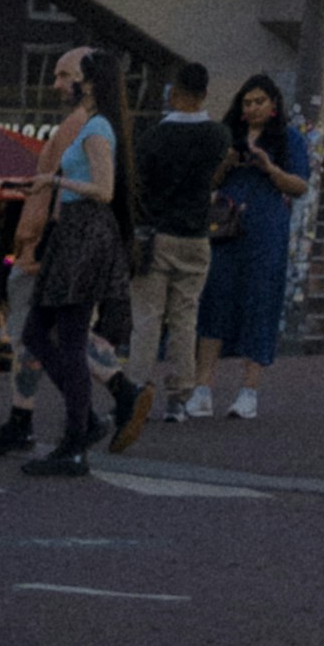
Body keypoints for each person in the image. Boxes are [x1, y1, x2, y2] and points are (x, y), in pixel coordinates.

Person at [12, 53, 136, 481]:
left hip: (85, 236)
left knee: (63, 338)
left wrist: (55, 181)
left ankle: (76, 440)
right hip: (76, 235)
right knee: (42, 333)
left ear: (90, 82)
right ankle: (81, 426)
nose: (65, 86)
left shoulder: (97, 129)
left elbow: (103, 190)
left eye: (71, 77)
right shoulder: (94, 126)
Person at [185, 77, 311, 424]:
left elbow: (300, 184)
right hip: (225, 227)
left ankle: (249, 390)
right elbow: (207, 181)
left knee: (260, 299)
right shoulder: (226, 136)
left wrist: (270, 168)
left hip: (266, 228)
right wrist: (225, 163)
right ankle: (202, 387)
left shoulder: (288, 139)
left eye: (259, 101)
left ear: (273, 106)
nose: (252, 108)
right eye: (247, 102)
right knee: (215, 298)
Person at [125, 71, 221, 421]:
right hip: (196, 236)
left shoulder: (154, 137)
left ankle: (135, 390)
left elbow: (139, 184)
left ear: (173, 94)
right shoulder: (216, 135)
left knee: (147, 317)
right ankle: (180, 396)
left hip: (156, 235)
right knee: (185, 318)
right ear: (205, 94)